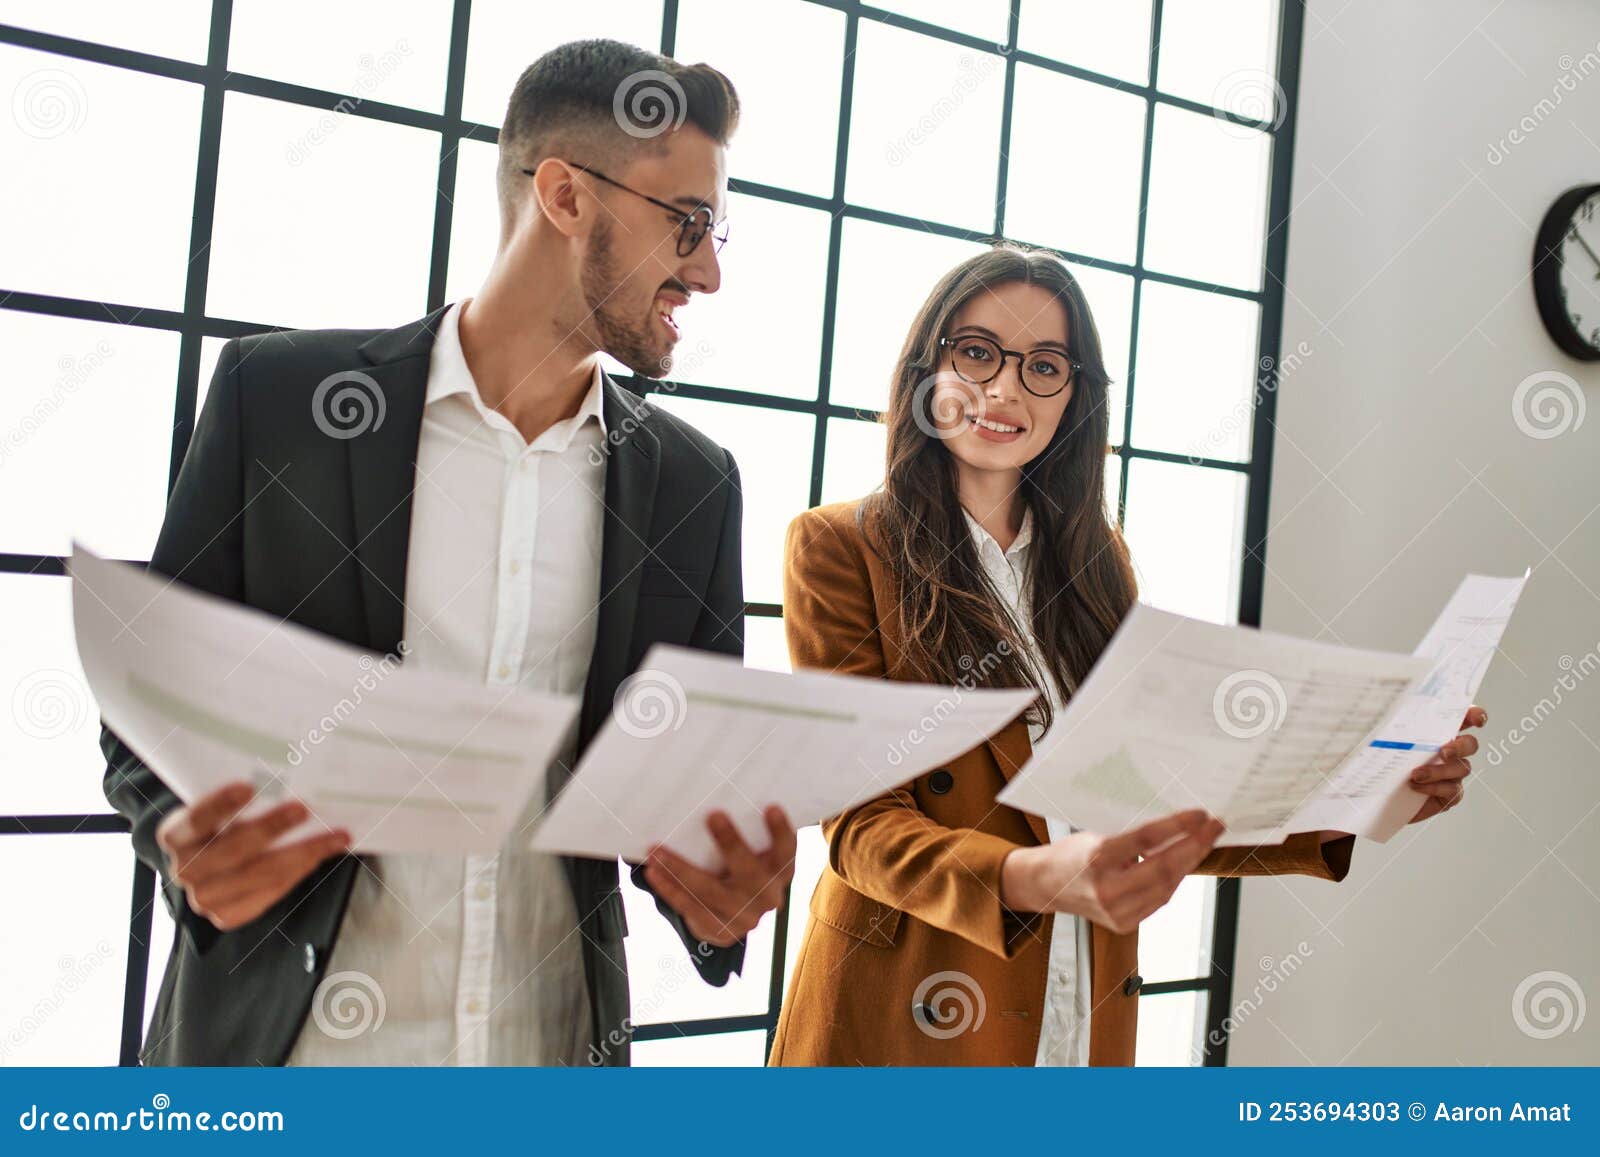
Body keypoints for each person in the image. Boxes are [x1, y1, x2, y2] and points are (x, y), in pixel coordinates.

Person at [100, 39, 796, 1067]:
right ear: (564, 194)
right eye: (687, 224)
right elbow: (147, 716)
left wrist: (721, 897)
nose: (708, 271)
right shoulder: (280, 402)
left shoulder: (695, 485)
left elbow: (682, 798)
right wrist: (185, 838)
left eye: (715, 231)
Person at [768, 244, 1482, 1066]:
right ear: (928, 367)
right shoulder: (840, 546)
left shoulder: (1097, 560)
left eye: (1045, 365)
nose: (1005, 389)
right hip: (907, 1010)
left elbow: (1154, 796)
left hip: (1080, 1003)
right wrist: (1033, 875)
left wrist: (1367, 793)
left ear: (1074, 395)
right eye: (976, 352)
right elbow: (860, 824)